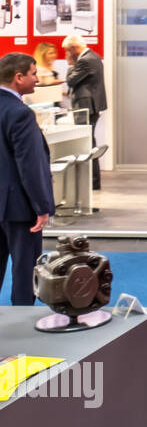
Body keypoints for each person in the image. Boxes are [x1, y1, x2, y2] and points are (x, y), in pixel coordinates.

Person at [0, 53, 53, 306]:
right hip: (20, 208)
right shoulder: (20, 113)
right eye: (33, 73)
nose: (37, 79)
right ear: (18, 77)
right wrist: (41, 207)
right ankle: (21, 323)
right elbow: (30, 166)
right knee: (25, 272)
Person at [62, 35, 106, 190]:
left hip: (85, 106)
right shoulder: (93, 56)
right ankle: (92, 182)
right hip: (91, 106)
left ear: (73, 48)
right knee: (89, 142)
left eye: (68, 51)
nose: (67, 54)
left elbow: (71, 81)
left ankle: (91, 182)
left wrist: (70, 65)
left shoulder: (85, 60)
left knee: (86, 144)